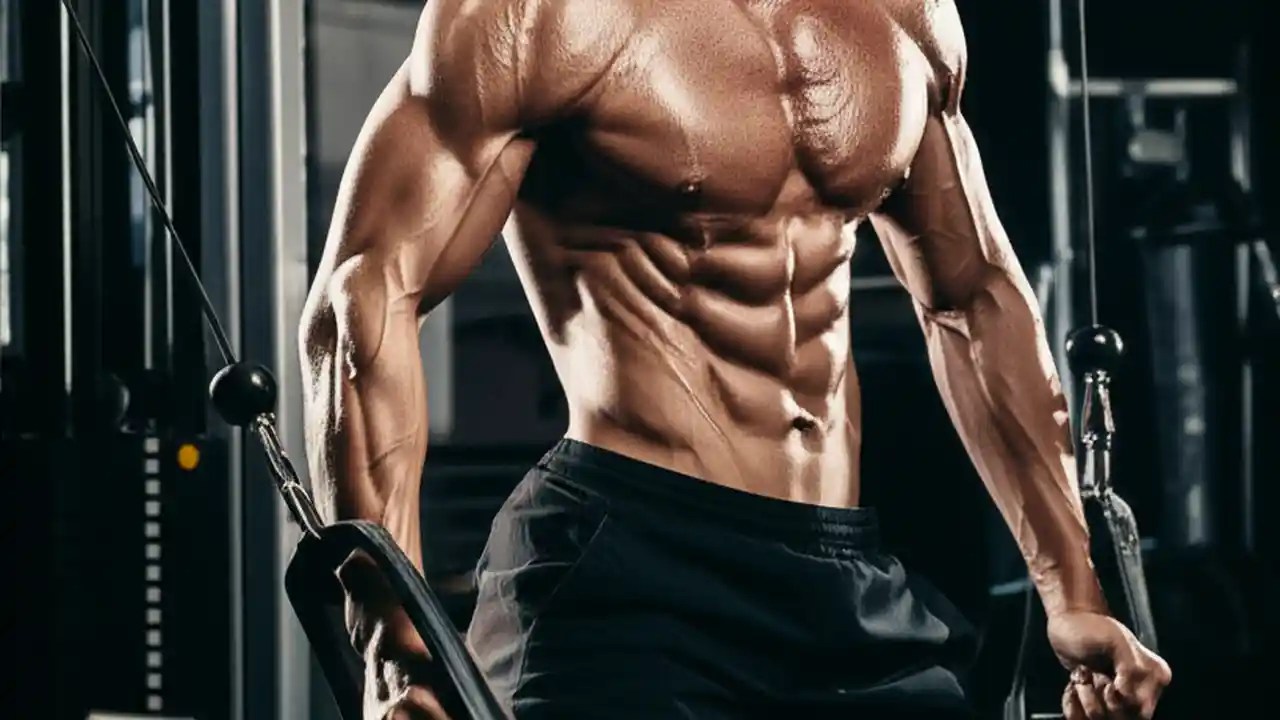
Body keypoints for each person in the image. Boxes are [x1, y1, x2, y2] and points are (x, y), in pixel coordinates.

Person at [299, 0, 1171, 718]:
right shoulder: (543, 15)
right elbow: (361, 298)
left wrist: (1073, 591)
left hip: (839, 572)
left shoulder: (905, 16)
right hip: (628, 573)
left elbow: (972, 296)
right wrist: (393, 641)